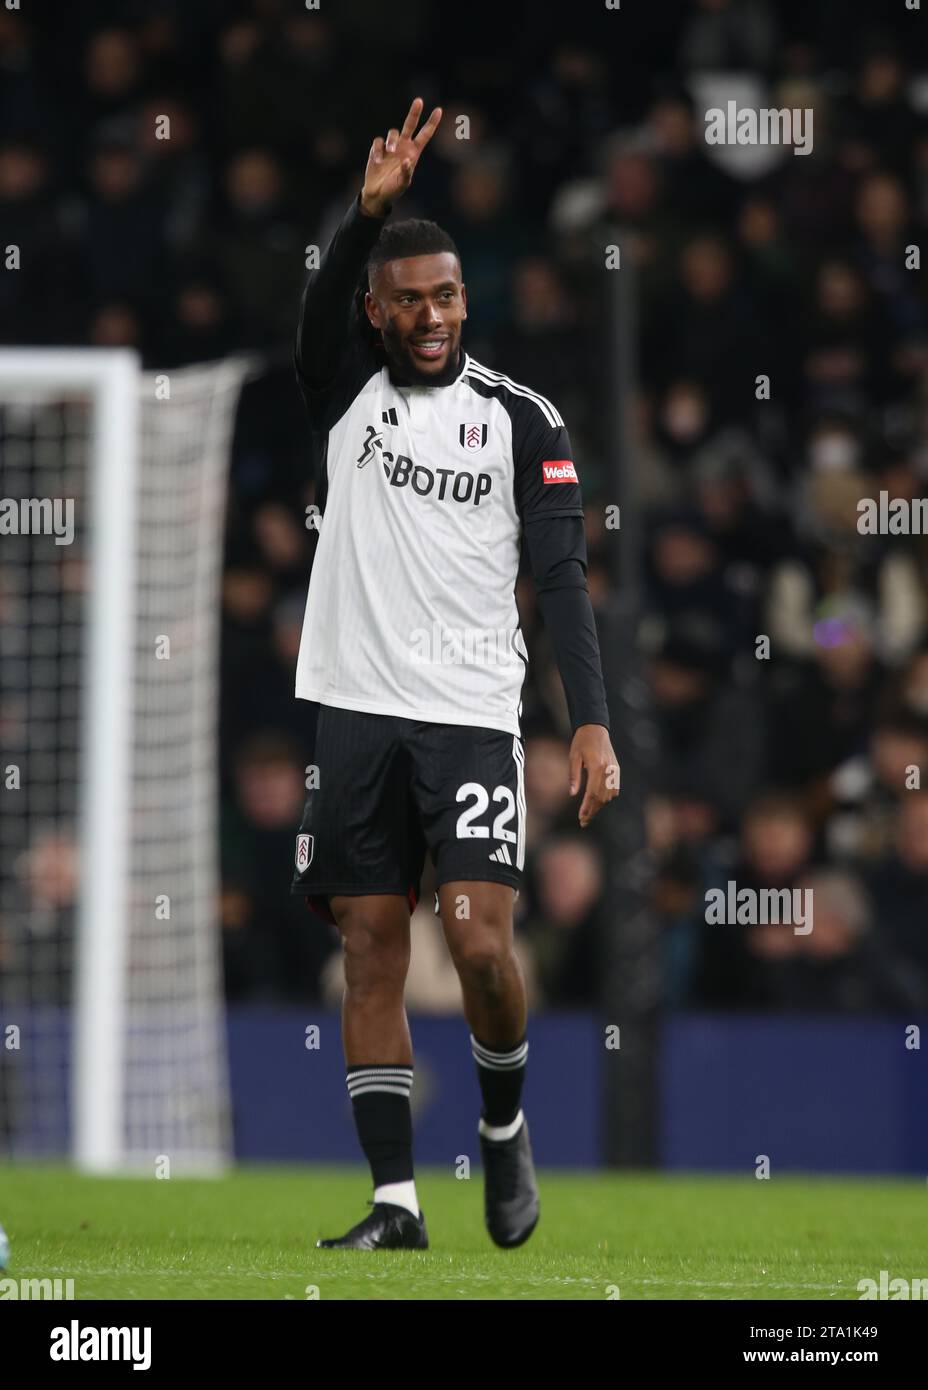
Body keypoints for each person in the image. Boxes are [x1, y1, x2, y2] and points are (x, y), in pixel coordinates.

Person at [289, 99, 618, 1250]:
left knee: (480, 944)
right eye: (407, 299)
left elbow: (565, 578)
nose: (429, 316)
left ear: (465, 301)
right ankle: (395, 1203)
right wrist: (359, 214)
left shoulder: (523, 420)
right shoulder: (345, 397)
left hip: (474, 714)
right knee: (372, 946)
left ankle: (501, 1120)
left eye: (447, 296)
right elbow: (312, 317)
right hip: (356, 711)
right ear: (379, 311)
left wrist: (589, 724)